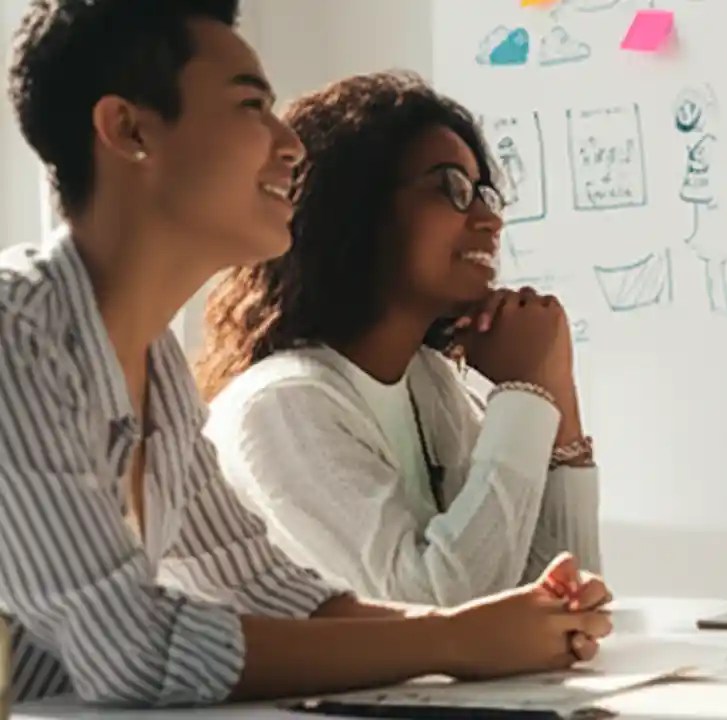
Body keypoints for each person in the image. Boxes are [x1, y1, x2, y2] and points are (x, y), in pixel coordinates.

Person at [0, 0, 609, 706]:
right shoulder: (19, 336)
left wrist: (494, 626)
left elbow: (270, 589)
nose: (288, 144)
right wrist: (452, 640)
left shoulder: (152, 362)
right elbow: (132, 650)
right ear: (129, 130)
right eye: (250, 107)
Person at [195, 72, 600, 607]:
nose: (489, 220)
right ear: (355, 210)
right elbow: (435, 607)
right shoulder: (281, 407)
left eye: (484, 193)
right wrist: (526, 390)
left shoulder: (429, 386)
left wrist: (557, 402)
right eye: (450, 187)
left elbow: (559, 591)